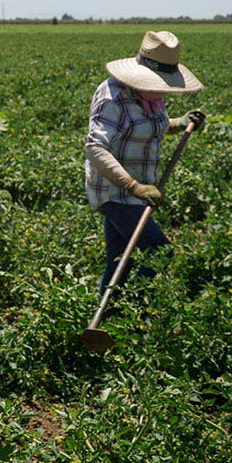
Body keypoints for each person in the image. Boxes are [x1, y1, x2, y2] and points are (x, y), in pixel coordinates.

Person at [85, 30, 206, 298]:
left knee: (120, 260)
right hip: (113, 190)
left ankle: (108, 316)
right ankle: (136, 313)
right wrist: (133, 185)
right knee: (159, 248)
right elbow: (95, 148)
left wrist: (180, 123)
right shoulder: (112, 97)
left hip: (137, 190)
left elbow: (149, 129)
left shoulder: (152, 97)